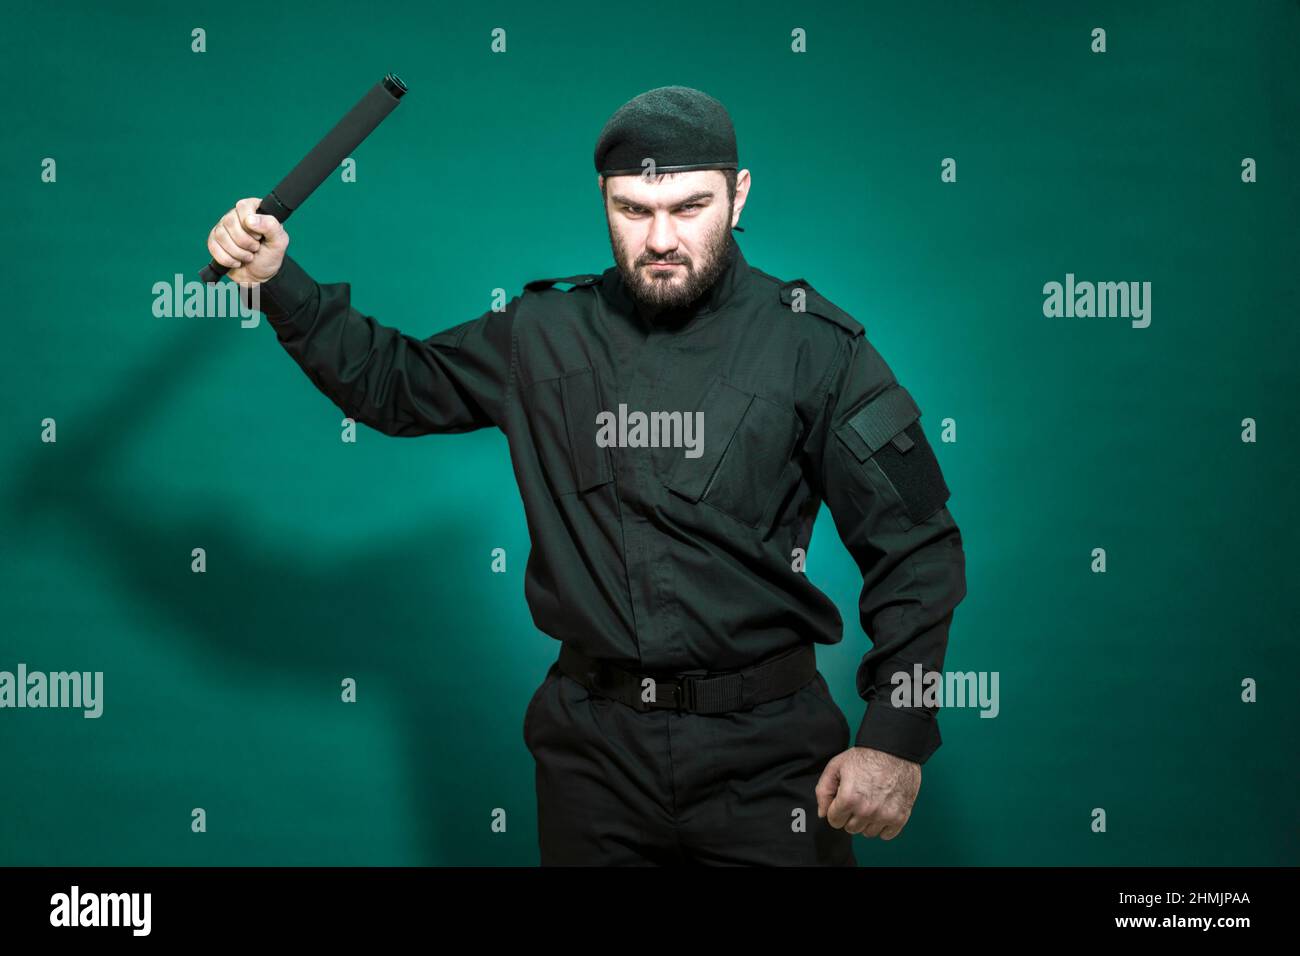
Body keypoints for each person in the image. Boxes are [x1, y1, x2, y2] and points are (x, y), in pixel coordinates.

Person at [205, 85, 967, 866]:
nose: (662, 238)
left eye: (689, 206)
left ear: (738, 197)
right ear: (602, 200)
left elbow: (918, 548)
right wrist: (278, 279)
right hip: (592, 759)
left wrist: (894, 739)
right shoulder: (540, 332)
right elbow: (392, 385)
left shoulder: (817, 347)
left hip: (771, 759)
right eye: (634, 210)